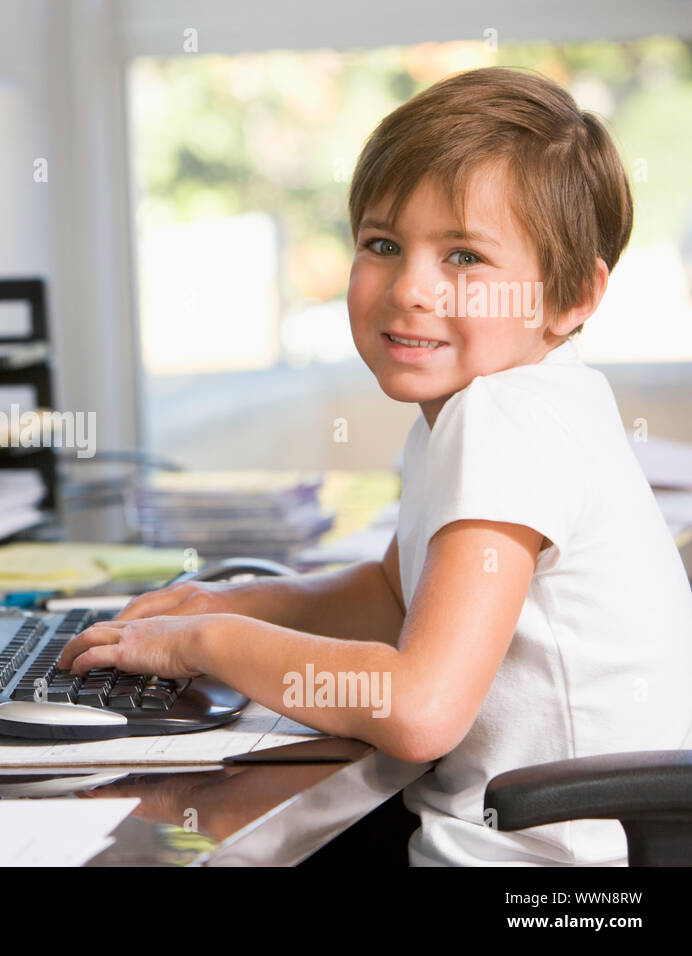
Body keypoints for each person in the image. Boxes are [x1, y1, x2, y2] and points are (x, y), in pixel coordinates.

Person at [59, 67, 692, 866]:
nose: (410, 289)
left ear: (571, 298)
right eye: (382, 244)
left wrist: (207, 643)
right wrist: (222, 603)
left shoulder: (506, 419)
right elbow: (394, 594)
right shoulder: (508, 405)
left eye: (463, 256)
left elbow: (418, 707)